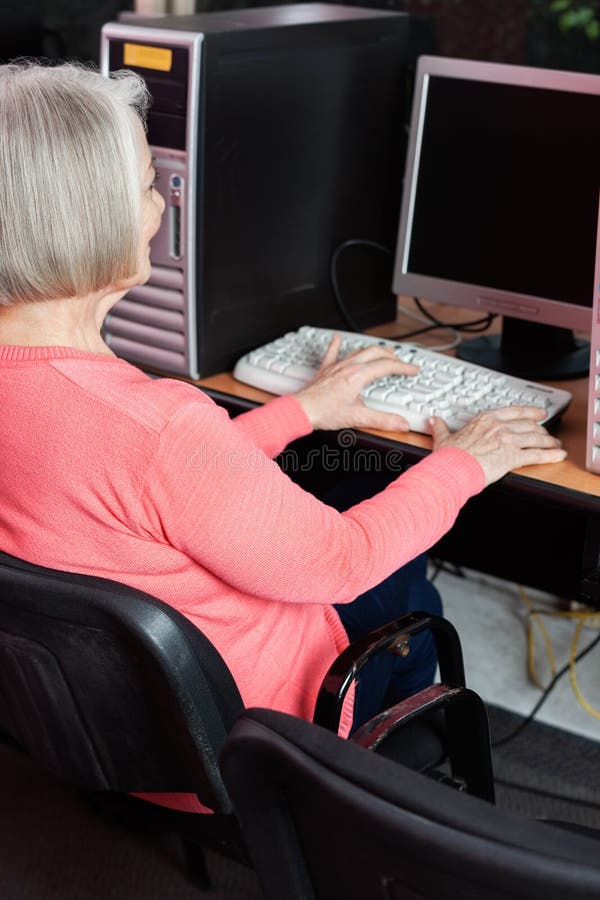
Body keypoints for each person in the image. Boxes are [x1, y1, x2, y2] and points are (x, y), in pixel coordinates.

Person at [0, 62, 566, 812]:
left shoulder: (85, 406)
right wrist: (467, 461)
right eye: (147, 186)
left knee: (355, 481)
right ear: (88, 221)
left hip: (105, 731)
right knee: (404, 570)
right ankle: (384, 808)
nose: (161, 207)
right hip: (249, 742)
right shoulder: (158, 427)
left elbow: (157, 480)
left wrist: (305, 410)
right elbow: (341, 560)